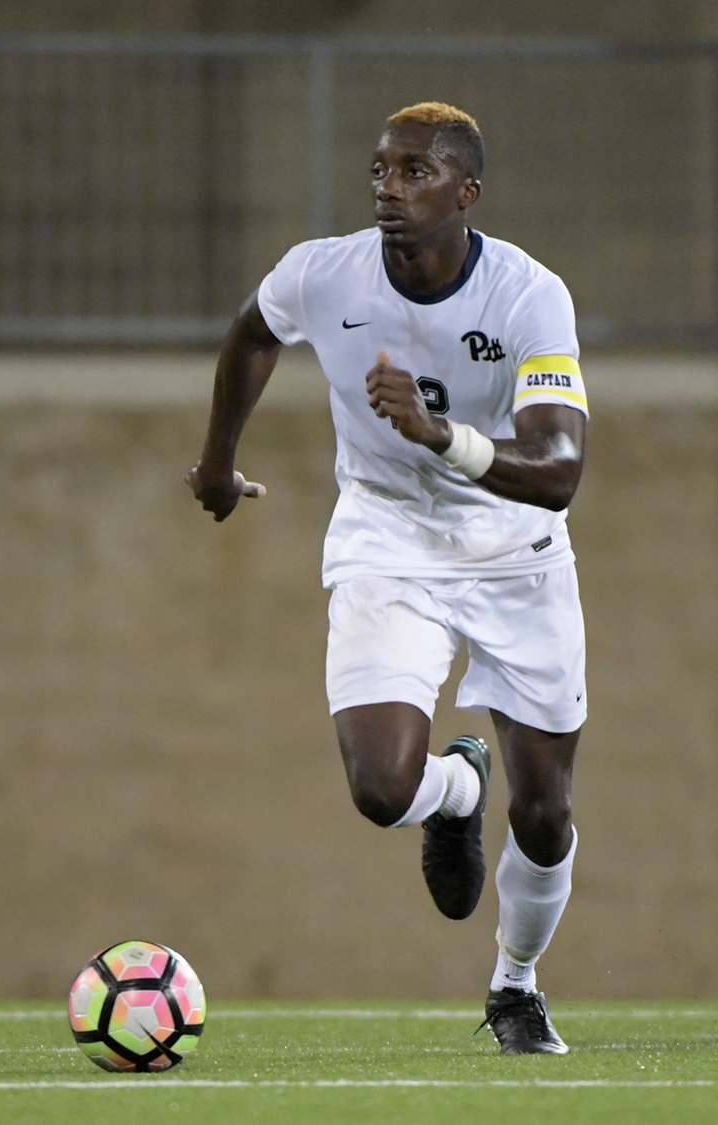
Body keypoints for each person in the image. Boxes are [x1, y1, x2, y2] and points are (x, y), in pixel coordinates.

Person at [187, 102, 588, 1056]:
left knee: (544, 812)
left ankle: (515, 983)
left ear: (467, 193)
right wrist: (214, 460)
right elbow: (253, 332)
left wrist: (440, 434)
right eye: (379, 171)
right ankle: (454, 794)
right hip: (386, 539)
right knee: (378, 785)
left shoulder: (530, 297)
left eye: (414, 173)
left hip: (515, 553)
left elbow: (559, 472)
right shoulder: (323, 272)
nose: (389, 190)